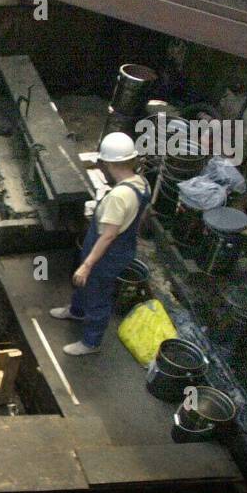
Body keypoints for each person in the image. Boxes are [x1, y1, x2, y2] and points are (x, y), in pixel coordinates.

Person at [50, 131, 151, 355]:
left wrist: (88, 265)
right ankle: (76, 311)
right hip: (119, 248)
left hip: (107, 253)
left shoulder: (118, 196)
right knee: (82, 283)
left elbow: (108, 236)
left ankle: (91, 342)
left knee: (97, 295)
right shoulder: (142, 184)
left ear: (108, 163)